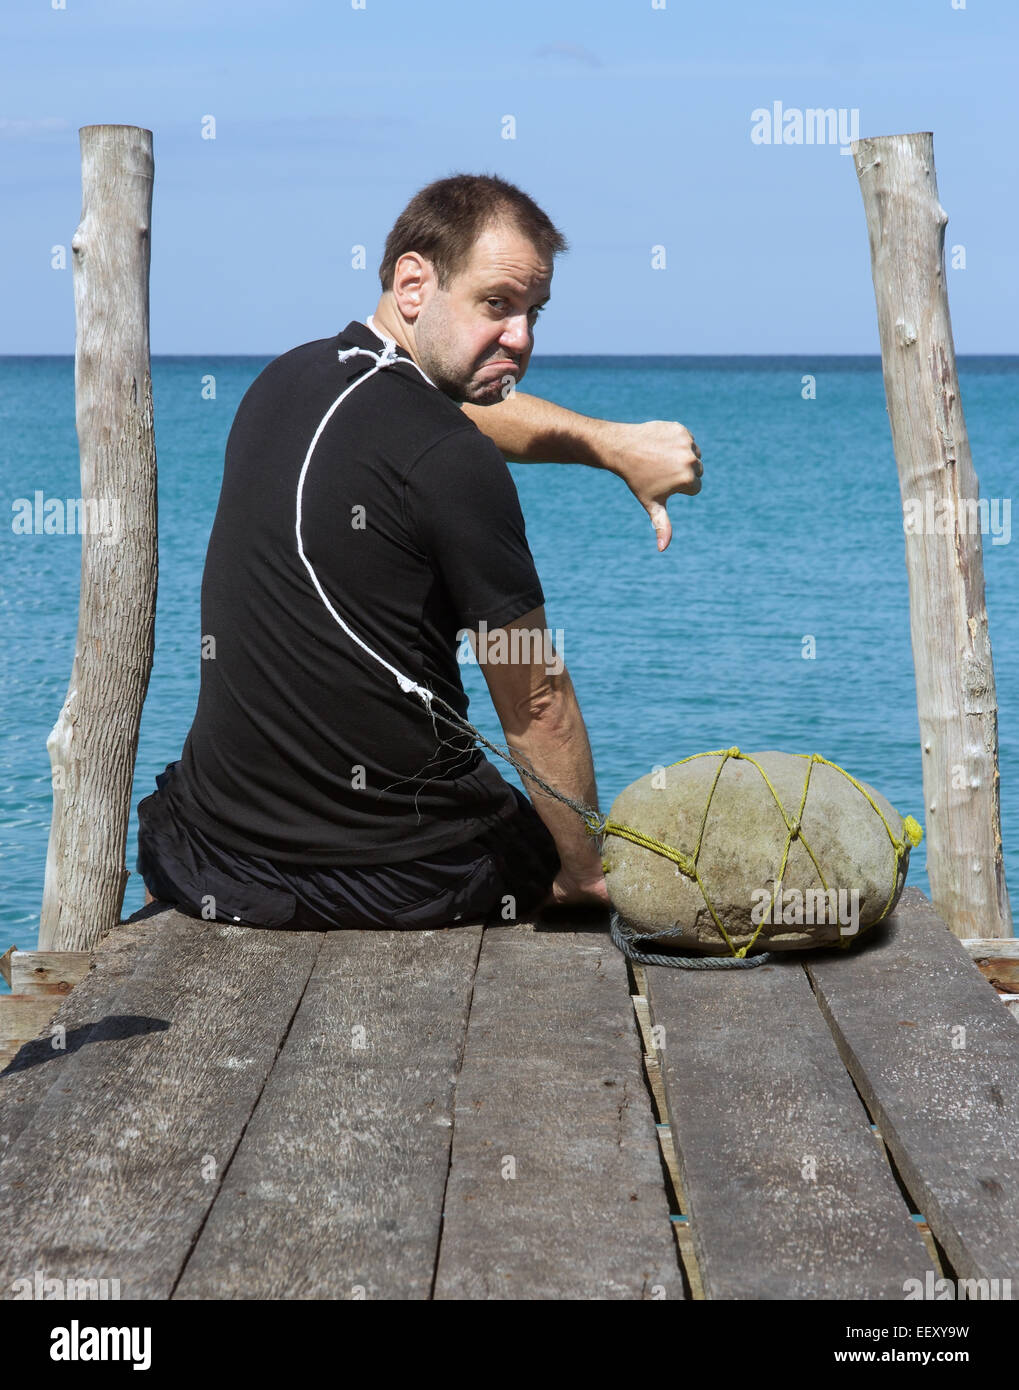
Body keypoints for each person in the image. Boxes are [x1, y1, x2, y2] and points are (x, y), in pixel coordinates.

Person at [136, 172, 702, 931]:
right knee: (575, 856)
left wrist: (610, 445)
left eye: (534, 313)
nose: (522, 338)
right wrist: (583, 871)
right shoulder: (449, 460)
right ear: (413, 284)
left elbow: (449, 412)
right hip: (392, 874)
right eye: (495, 304)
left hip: (205, 848)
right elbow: (535, 704)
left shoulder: (285, 378)